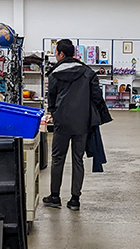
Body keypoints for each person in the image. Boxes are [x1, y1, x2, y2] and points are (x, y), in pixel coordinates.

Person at [43, 39, 111, 211]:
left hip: (62, 122)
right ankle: (75, 200)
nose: (56, 56)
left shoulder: (54, 73)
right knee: (77, 159)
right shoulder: (87, 72)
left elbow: (51, 98)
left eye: (56, 53)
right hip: (82, 122)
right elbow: (97, 97)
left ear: (61, 54)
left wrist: (54, 114)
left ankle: (55, 196)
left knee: (58, 159)